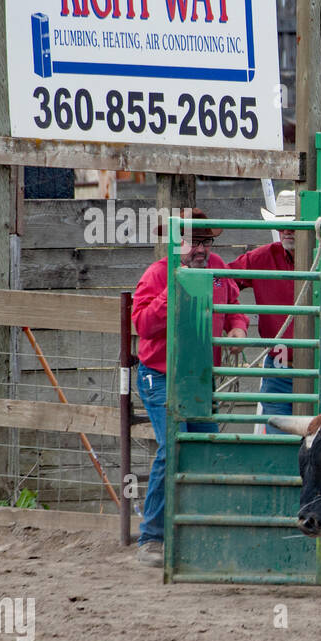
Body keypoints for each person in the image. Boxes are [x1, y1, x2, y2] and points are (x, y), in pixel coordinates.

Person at [132, 210, 248, 565]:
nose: (199, 249)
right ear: (174, 242)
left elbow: (233, 309)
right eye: (190, 241)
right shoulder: (157, 275)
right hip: (161, 373)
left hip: (198, 373)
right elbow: (142, 325)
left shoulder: (218, 270)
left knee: (206, 447)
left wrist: (238, 329)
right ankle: (151, 537)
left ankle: (199, 529)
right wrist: (176, 288)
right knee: (175, 445)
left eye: (205, 241)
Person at [229, 189, 297, 421]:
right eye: (282, 224)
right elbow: (221, 281)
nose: (287, 230)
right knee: (278, 437)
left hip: (314, 366)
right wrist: (235, 321)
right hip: (279, 363)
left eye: (295, 224)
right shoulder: (262, 258)